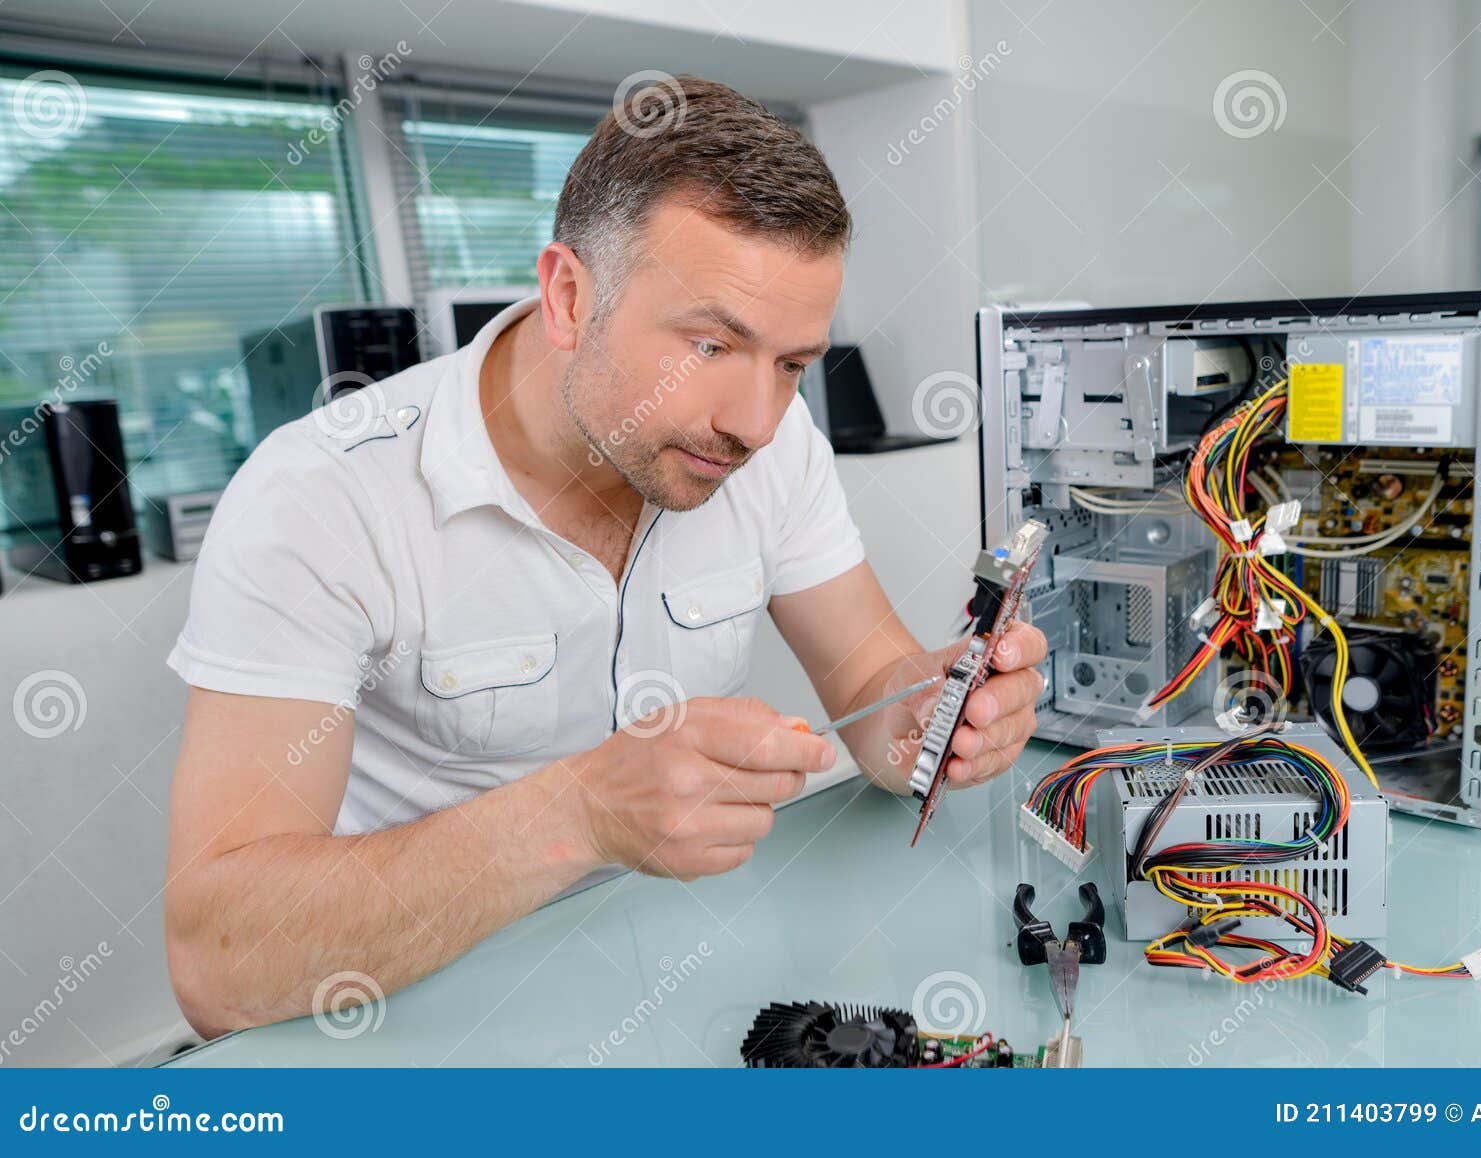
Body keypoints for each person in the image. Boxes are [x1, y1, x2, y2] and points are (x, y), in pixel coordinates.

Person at [164, 76, 1047, 1037]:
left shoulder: (773, 445)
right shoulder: (321, 496)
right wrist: (577, 814)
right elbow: (219, 960)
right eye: (712, 344)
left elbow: (873, 683)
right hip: (408, 1014)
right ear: (569, 296)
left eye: (793, 365)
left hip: (677, 986)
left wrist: (934, 718)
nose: (756, 422)